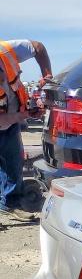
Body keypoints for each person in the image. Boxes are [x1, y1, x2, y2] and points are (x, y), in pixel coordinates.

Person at [0, 39, 52, 222]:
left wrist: (47, 77)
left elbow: (38, 47)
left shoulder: (6, 51)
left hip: (10, 123)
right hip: (6, 120)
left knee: (13, 164)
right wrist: (23, 116)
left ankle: (10, 205)